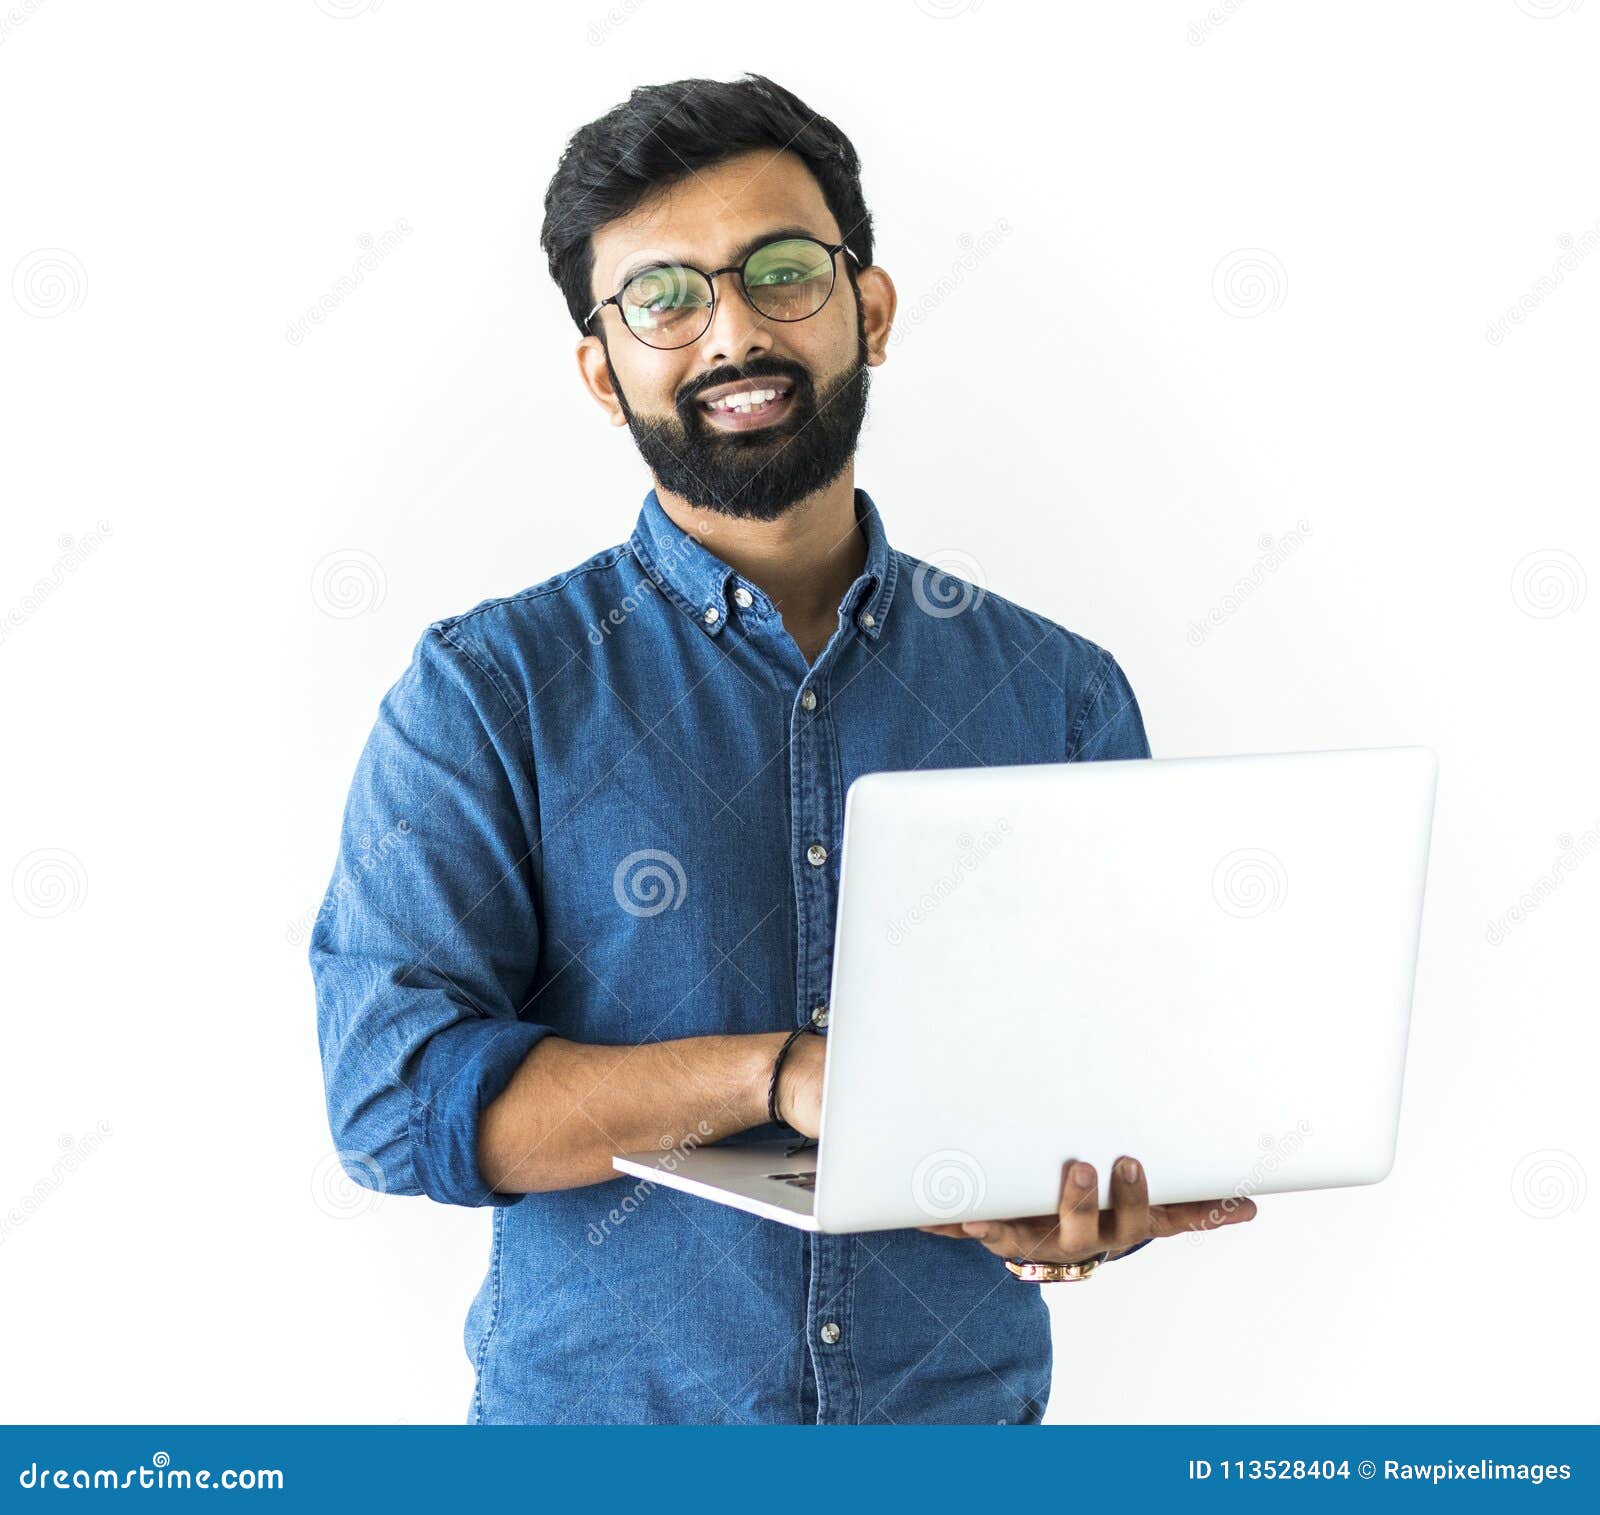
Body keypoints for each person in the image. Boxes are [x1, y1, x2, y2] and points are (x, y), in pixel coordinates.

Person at [310, 72, 1255, 1427]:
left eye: (782, 272)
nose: (733, 331)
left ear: (868, 309)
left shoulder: (1058, 695)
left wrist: (1083, 1208)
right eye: (665, 298)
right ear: (602, 369)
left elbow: (1102, 1078)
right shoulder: (487, 693)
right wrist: (779, 1078)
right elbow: (398, 1104)